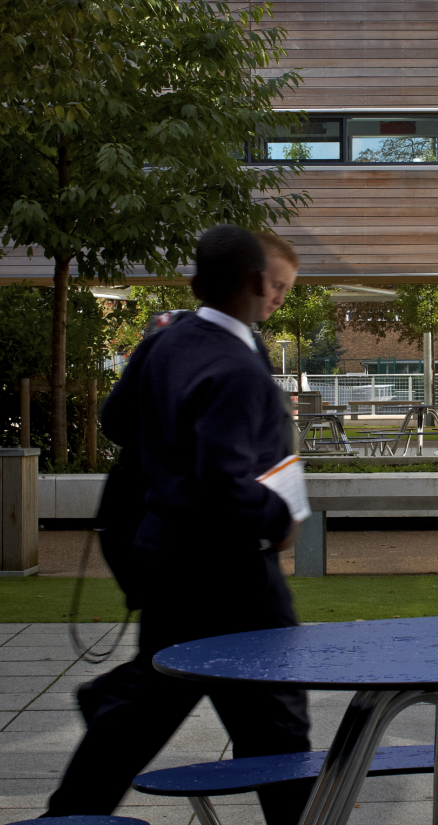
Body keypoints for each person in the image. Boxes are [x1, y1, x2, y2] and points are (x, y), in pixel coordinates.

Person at [46, 226, 306, 822]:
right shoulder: (236, 369)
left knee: (156, 697)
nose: (280, 300)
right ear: (259, 282)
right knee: (275, 717)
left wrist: (169, 461)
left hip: (160, 549)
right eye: (280, 288)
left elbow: (116, 419)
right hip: (230, 568)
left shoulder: (167, 340)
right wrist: (280, 516)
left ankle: (69, 811)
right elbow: (223, 484)